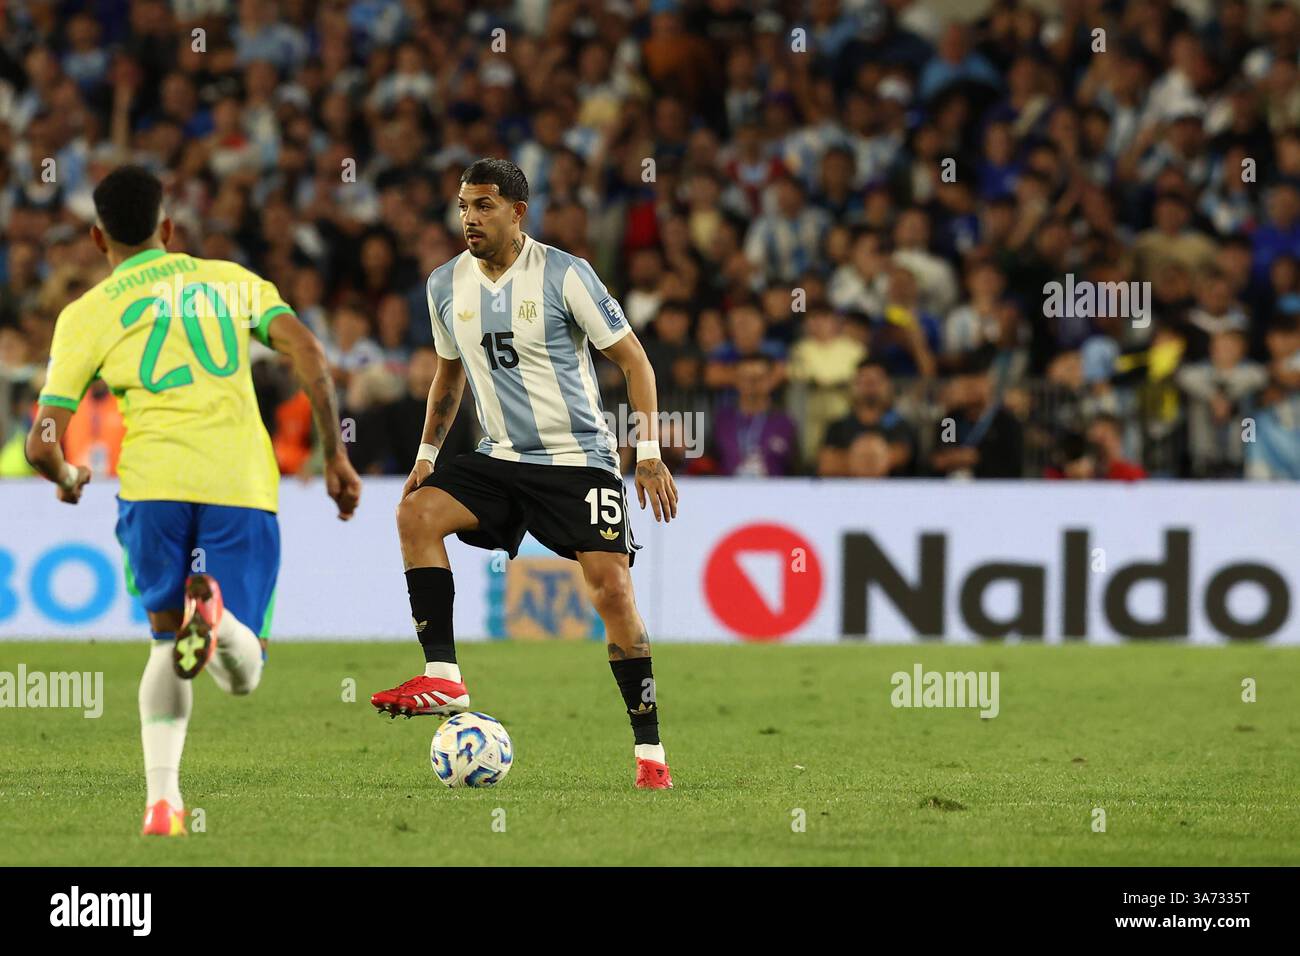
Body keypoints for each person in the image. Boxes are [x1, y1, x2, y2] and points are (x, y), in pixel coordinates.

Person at [24, 165, 362, 836]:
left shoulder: (86, 314)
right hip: (238, 482)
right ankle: (220, 619)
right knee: (243, 676)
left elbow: (41, 442)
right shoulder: (230, 281)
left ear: (97, 238)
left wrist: (65, 477)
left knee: (162, 641)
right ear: (169, 229)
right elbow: (310, 352)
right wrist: (336, 453)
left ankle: (163, 803)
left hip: (152, 488)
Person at [368, 159, 680, 790]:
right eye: (462, 206)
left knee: (613, 592)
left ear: (517, 212)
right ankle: (444, 677)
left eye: (483, 206)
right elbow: (448, 376)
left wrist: (646, 451)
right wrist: (427, 456)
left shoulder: (566, 274)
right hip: (504, 458)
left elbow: (635, 363)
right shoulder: (443, 285)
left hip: (579, 461)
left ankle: (650, 755)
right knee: (415, 513)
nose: (469, 219)